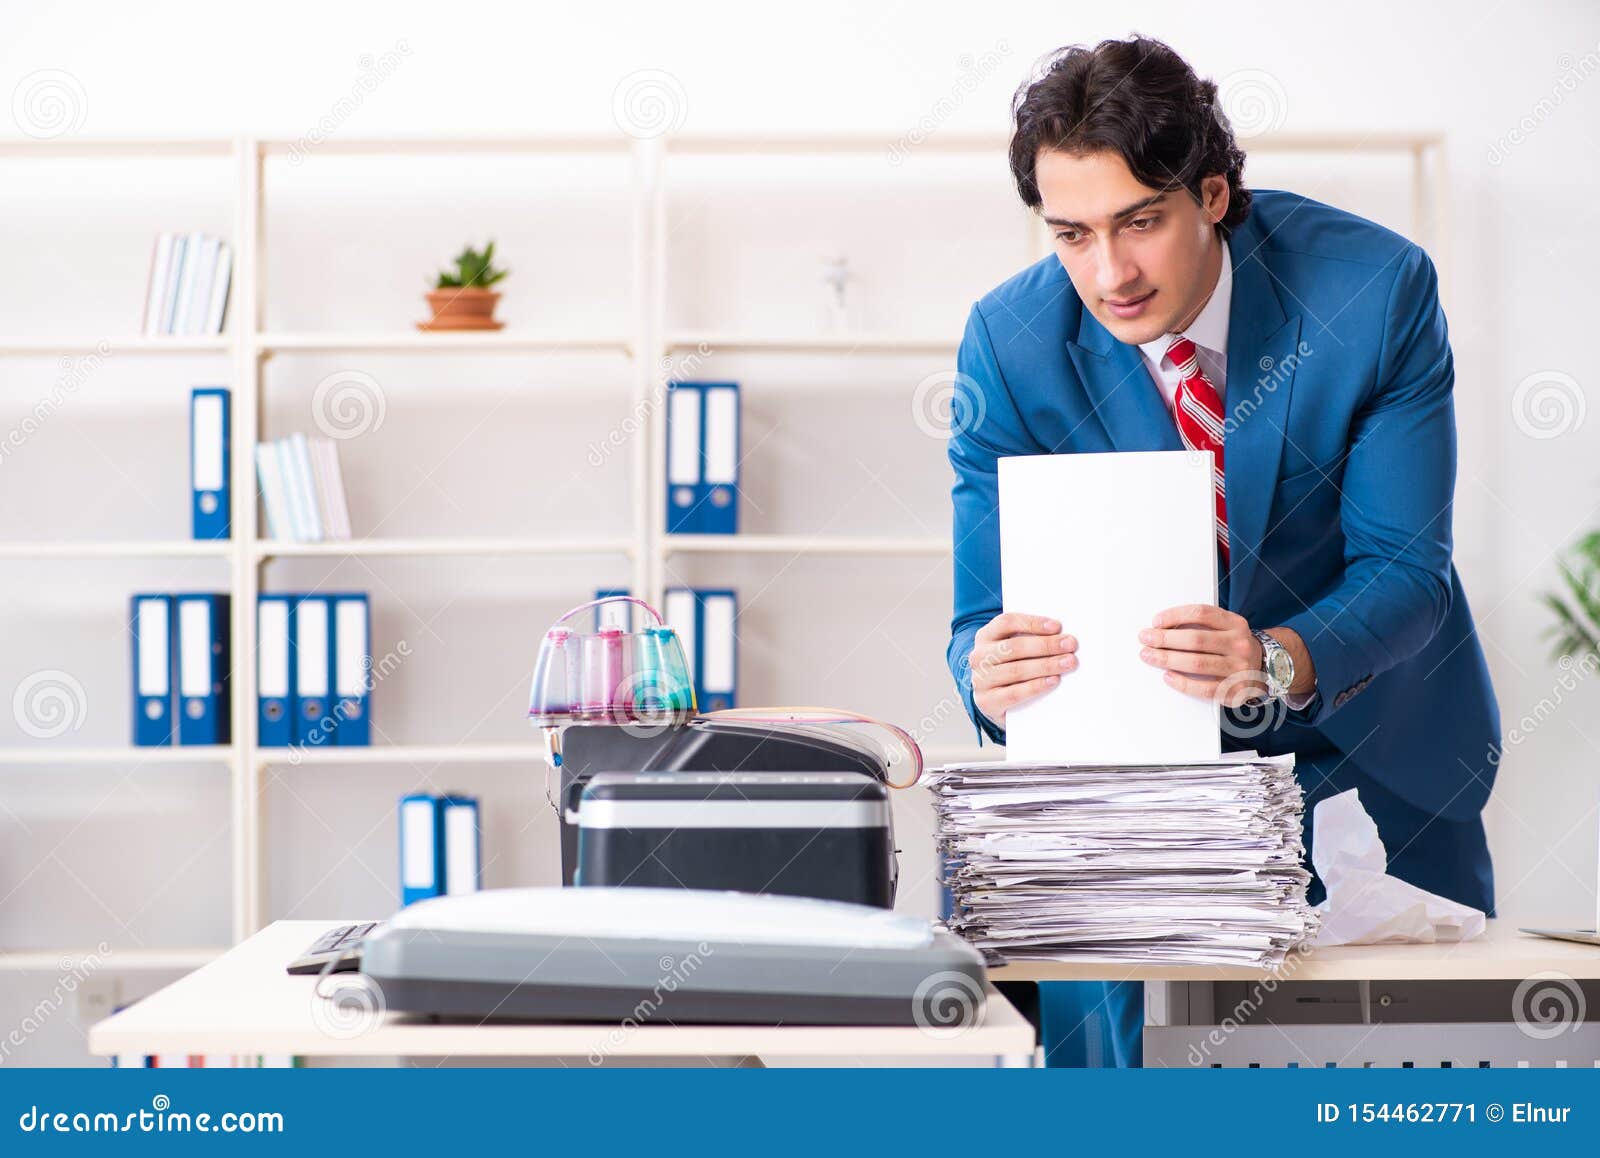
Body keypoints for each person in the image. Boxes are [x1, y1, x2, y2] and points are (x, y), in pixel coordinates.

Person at [944, 35, 1499, 1068]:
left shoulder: (1370, 294)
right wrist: (990, 672)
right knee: (1120, 1103)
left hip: (1367, 759)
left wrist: (1274, 656)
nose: (1107, 273)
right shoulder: (1010, 346)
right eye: (1069, 233)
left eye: (1139, 223)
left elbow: (1404, 570)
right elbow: (977, 622)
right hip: (1134, 815)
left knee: (1413, 1089)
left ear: (1212, 194)